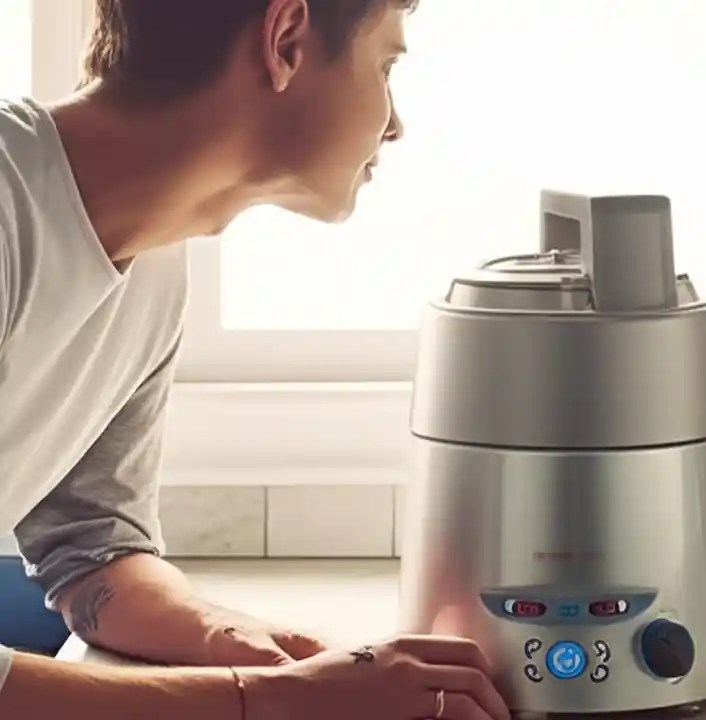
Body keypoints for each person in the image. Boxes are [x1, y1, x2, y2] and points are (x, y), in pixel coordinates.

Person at [0, 0, 510, 718]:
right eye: (386, 64)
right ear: (287, 39)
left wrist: (249, 643)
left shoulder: (154, 259)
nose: (395, 124)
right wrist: (273, 701)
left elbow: (92, 550)